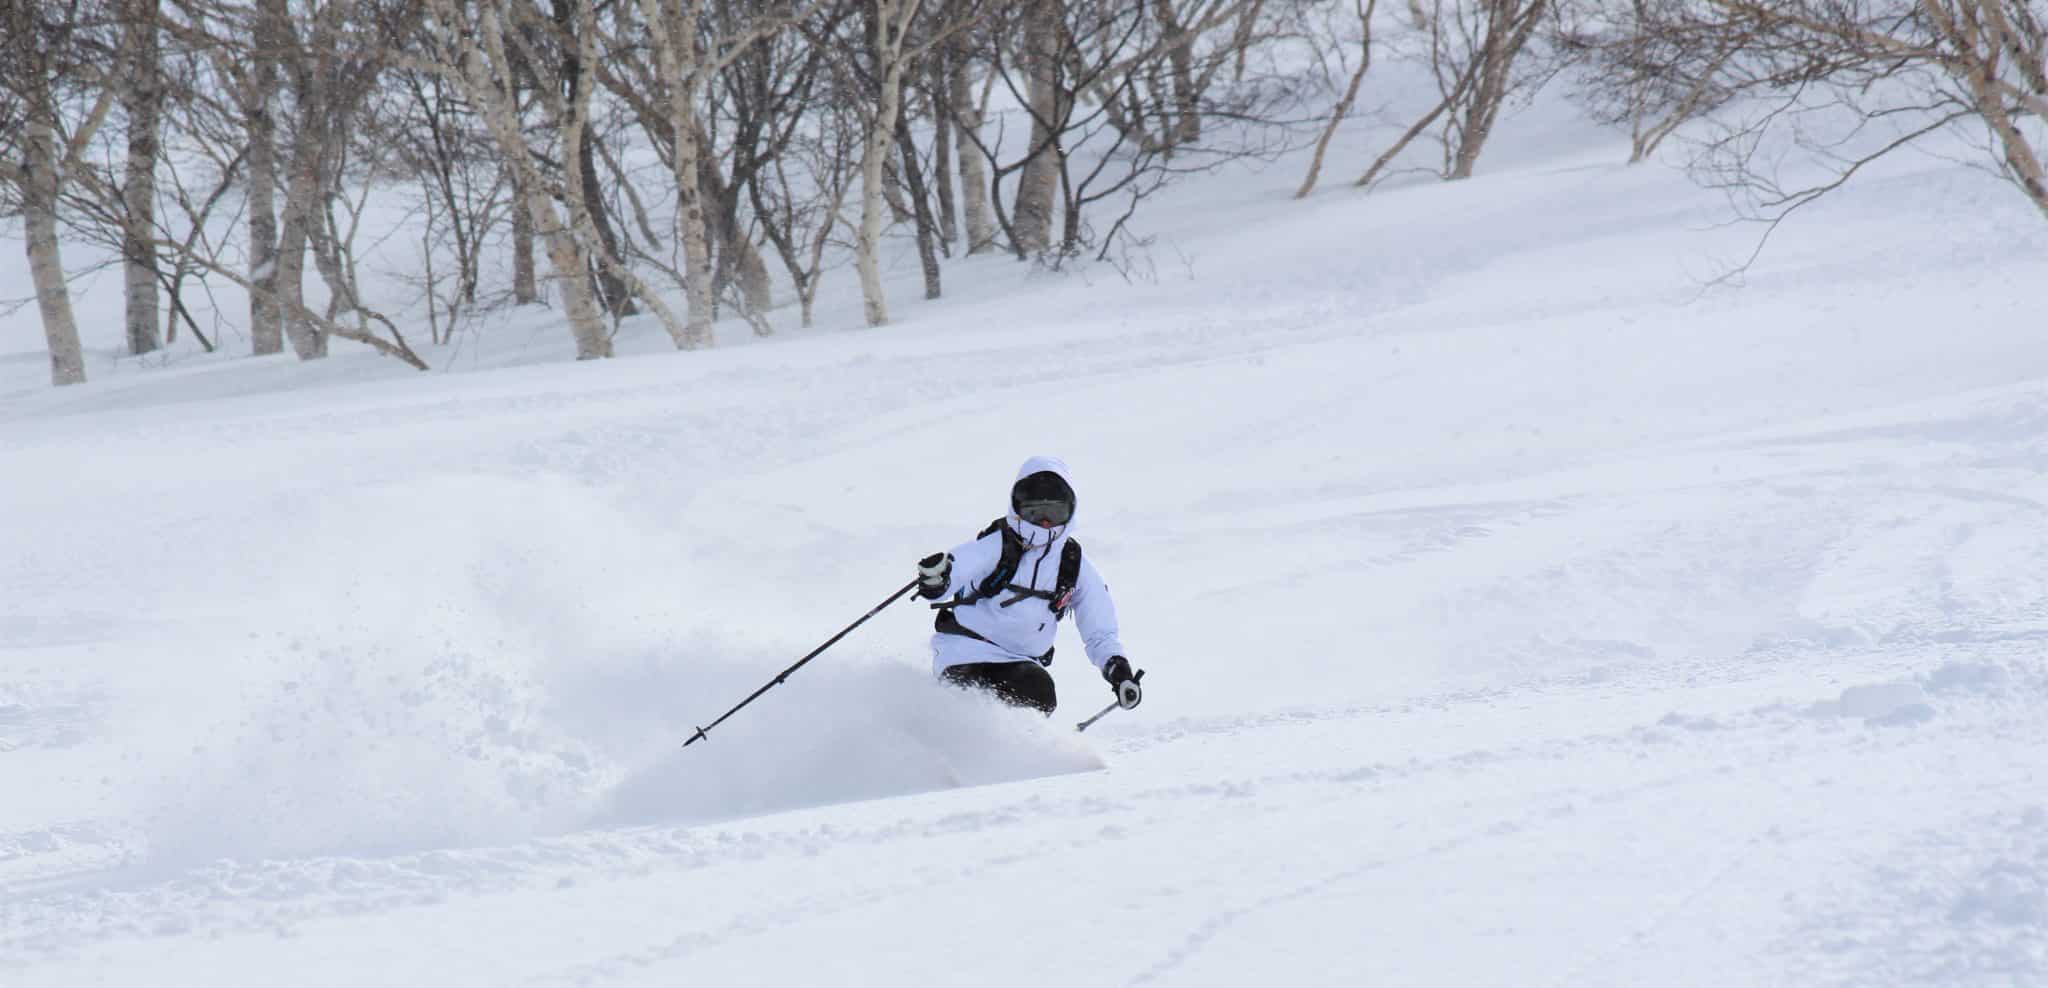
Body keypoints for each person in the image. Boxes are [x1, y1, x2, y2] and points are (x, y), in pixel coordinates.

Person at [914, 456, 1143, 715]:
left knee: (1038, 693)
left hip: (1020, 663)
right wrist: (937, 580)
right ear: (1018, 509)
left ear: (1070, 511)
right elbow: (956, 570)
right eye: (1036, 512)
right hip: (966, 651)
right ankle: (938, 743)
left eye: (1054, 513)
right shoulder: (998, 545)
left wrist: (1118, 670)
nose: (1045, 523)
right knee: (966, 699)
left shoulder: (1072, 563)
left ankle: (1020, 753)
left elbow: (1100, 632)